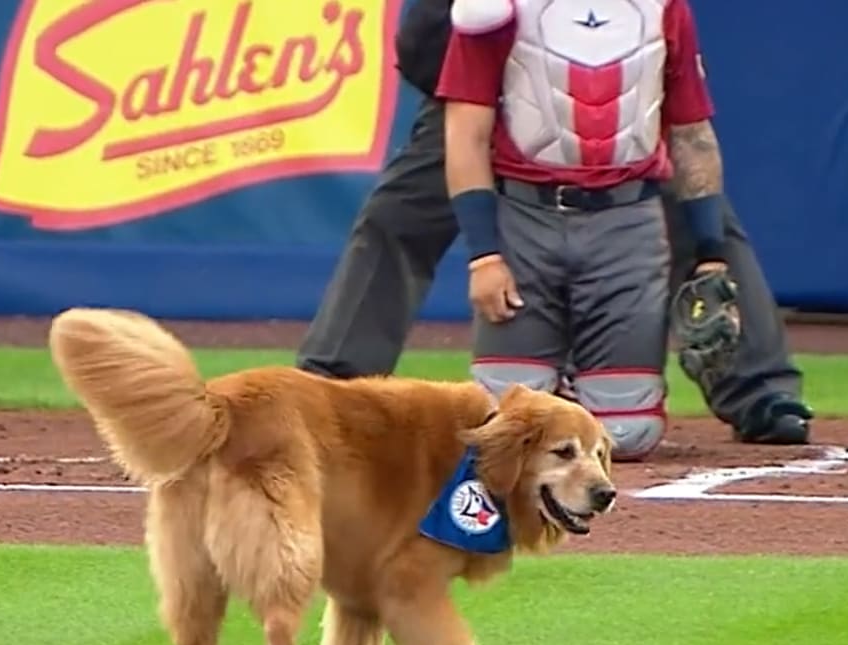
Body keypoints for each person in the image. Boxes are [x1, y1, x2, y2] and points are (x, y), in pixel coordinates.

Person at [294, 0, 813, 446]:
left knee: (698, 212)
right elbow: (420, 44)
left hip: (607, 87)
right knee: (399, 217)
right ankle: (331, 384)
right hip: (491, 82)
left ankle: (761, 389)